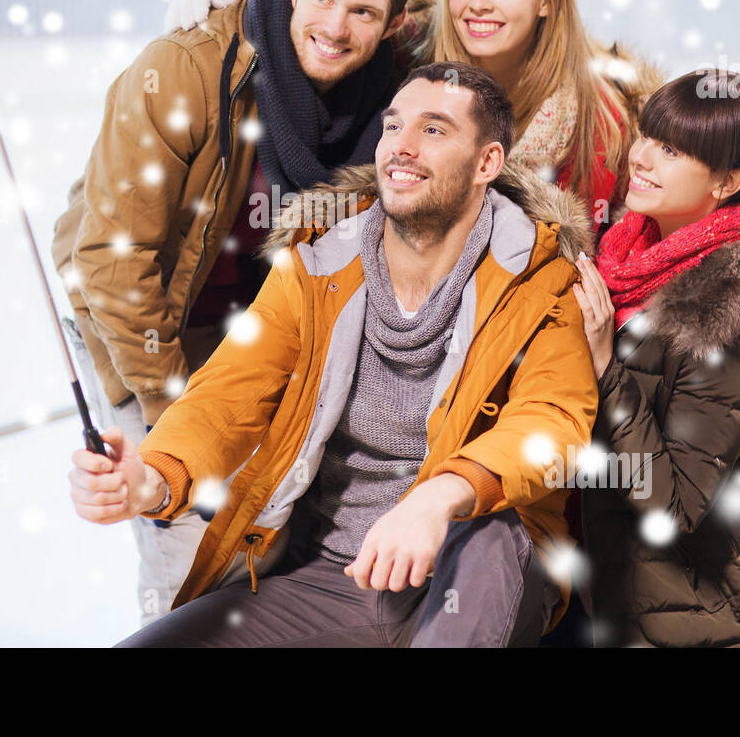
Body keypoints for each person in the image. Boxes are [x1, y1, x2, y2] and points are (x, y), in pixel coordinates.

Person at [68, 62, 600, 647]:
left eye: (433, 130)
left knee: (490, 531)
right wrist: (155, 477)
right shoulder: (315, 267)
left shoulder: (538, 276)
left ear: (487, 163)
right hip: (332, 581)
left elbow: (554, 420)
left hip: (470, 570)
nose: (401, 147)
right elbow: (225, 395)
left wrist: (438, 497)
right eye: (394, 126)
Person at [51, 0, 416, 623]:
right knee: (188, 546)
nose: (336, 27)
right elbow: (110, 259)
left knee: (270, 540)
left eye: (363, 12)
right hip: (147, 333)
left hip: (263, 337)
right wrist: (170, 411)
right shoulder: (183, 71)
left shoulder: (383, 99)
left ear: (393, 23)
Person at [165, 0, 664, 237]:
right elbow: (318, 17)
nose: (478, 4)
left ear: (548, 0)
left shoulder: (601, 122)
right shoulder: (406, 51)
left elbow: (614, 248)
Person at [571, 69, 740, 647]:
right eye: (648, 136)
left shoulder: (734, 312)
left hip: (705, 613)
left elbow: (673, 504)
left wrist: (607, 365)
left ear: (727, 181)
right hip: (620, 585)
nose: (642, 158)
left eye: (673, 149)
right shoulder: (627, 251)